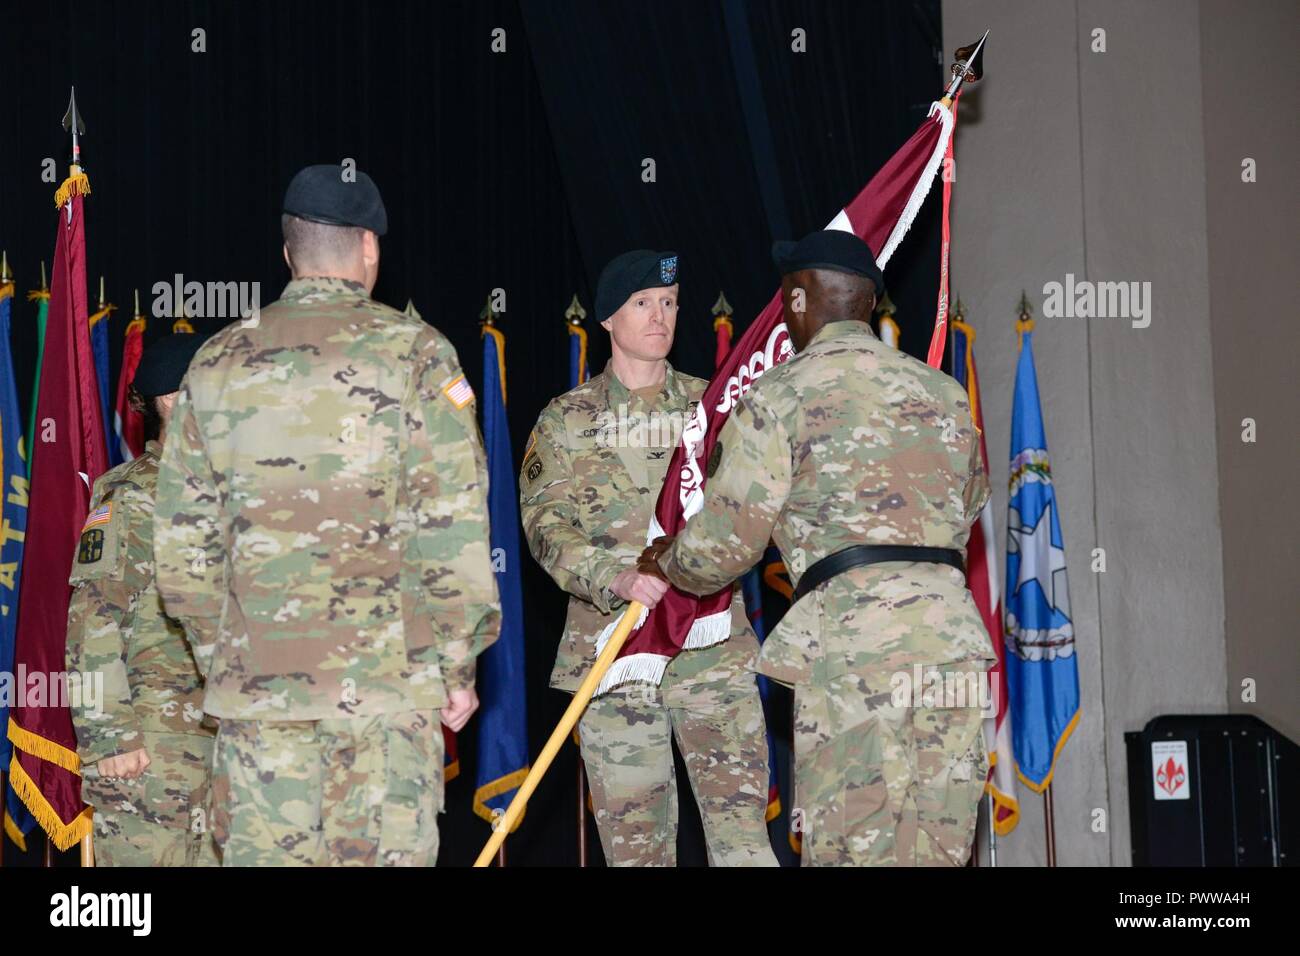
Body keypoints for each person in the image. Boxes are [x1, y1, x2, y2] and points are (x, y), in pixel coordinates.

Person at [153, 164, 500, 866]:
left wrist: (233, 661)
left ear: (288, 253)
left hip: (257, 712)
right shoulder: (419, 354)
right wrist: (457, 669)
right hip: (385, 702)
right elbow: (455, 528)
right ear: (370, 248)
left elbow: (182, 556)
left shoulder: (216, 364)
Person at [642, 230, 995, 866]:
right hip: (950, 647)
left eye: (785, 302)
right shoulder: (943, 393)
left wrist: (664, 560)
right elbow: (967, 511)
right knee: (938, 851)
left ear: (799, 301)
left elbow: (724, 545)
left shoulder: (781, 395)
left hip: (855, 651)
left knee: (851, 850)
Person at [520, 249, 776, 866]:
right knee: (638, 856)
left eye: (669, 302)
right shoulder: (565, 420)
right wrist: (615, 577)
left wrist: (699, 564)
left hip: (710, 651)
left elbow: (752, 509)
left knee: (743, 844)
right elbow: (544, 524)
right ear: (608, 318)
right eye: (642, 303)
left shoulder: (714, 409)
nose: (660, 316)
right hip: (612, 654)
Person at [68, 333, 219, 866]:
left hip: (233, 753)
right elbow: (93, 619)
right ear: (171, 400)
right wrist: (110, 738)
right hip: (152, 753)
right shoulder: (134, 495)